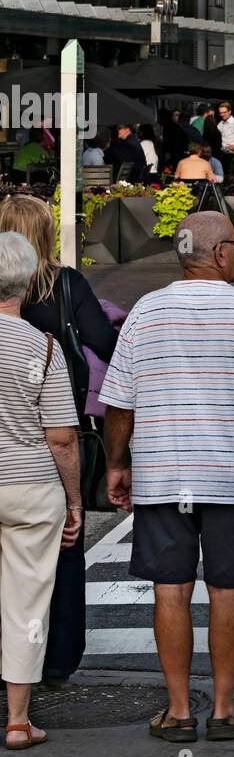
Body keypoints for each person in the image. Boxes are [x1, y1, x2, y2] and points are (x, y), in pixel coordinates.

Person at [100, 212, 234, 744]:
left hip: (162, 475)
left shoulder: (145, 312)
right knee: (228, 589)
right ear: (221, 253)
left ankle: (179, 710)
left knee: (170, 590)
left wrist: (117, 462)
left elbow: (119, 402)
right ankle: (223, 710)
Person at [0, 196, 117, 680]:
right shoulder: (66, 285)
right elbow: (106, 345)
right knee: (61, 550)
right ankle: (54, 658)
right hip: (51, 439)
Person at [0, 231, 82, 748]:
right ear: (30, 282)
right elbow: (61, 437)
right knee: (28, 601)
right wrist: (74, 501)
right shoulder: (43, 346)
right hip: (30, 485)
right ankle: (17, 720)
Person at [216, 101, 234, 179]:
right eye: (220, 113)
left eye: (224, 112)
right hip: (222, 153)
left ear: (230, 111)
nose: (222, 114)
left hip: (231, 154)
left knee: (231, 176)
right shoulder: (221, 123)